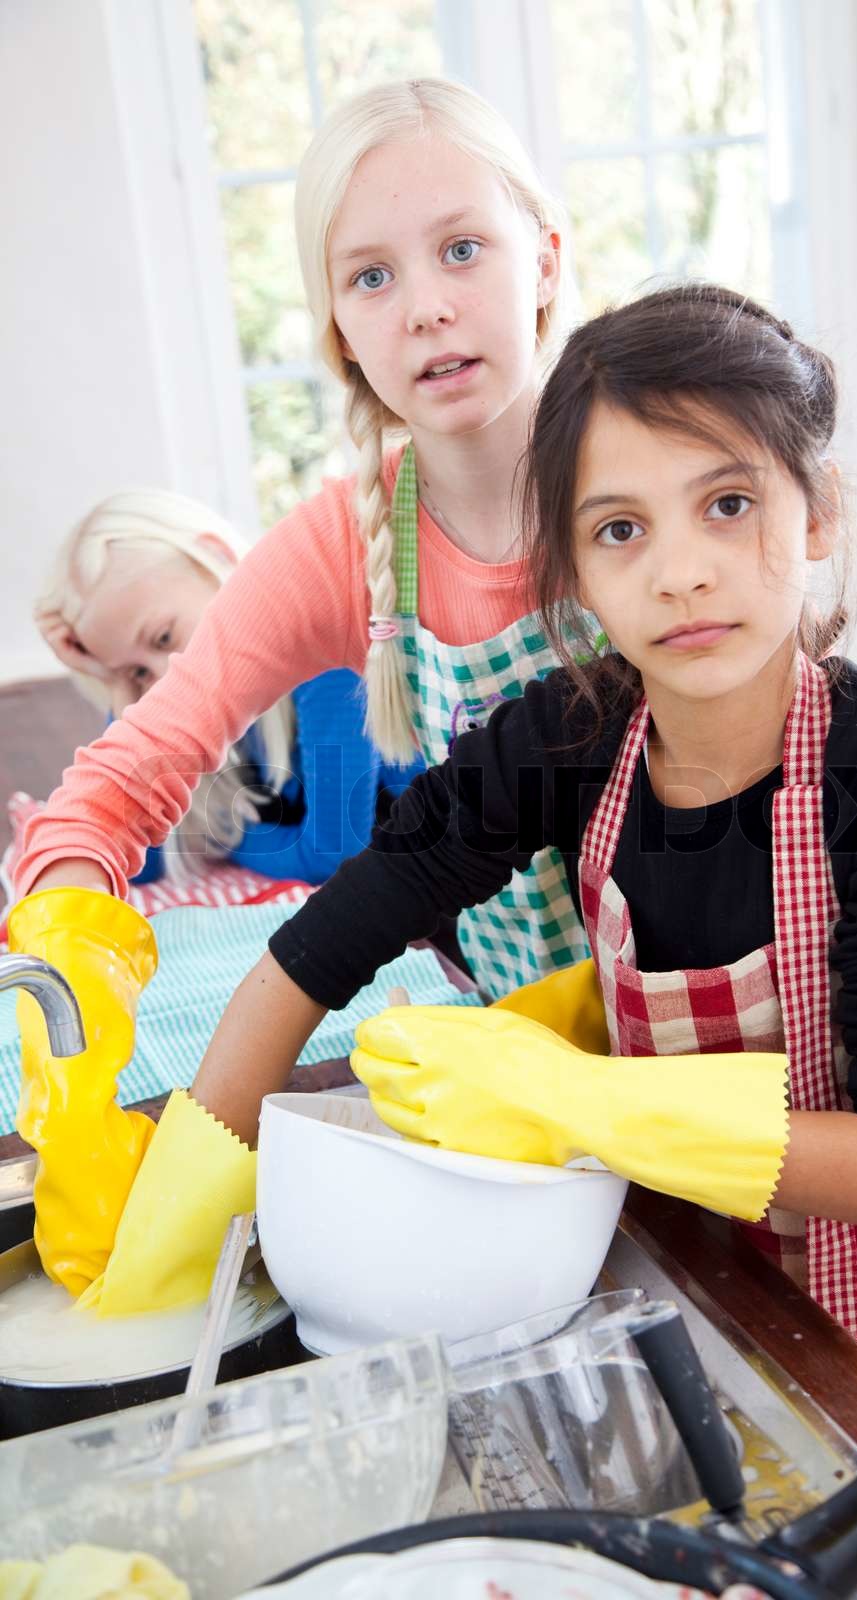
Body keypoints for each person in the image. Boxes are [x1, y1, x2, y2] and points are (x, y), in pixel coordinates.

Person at [185, 284, 857, 1511]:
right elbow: (324, 946)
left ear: (817, 514)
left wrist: (577, 1100)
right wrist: (199, 1203)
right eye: (619, 529)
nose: (682, 572)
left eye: (728, 504)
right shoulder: (571, 739)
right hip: (679, 1282)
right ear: (572, 570)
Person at [14, 77, 591, 996]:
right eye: (371, 276)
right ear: (340, 332)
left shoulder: (649, 476)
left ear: (546, 262)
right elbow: (121, 783)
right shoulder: (337, 547)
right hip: (521, 1035)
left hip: (732, 1014)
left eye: (462, 249)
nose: (425, 307)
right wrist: (65, 914)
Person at [34, 487, 423, 884]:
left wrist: (223, 831)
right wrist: (117, 688)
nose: (163, 679)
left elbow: (332, 859)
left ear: (218, 558)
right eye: (137, 673)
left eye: (164, 638)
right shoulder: (197, 706)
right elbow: (141, 866)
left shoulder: (325, 663)